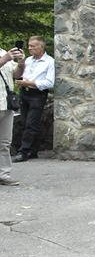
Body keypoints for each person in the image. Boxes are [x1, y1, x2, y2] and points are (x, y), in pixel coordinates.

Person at [12, 36, 55, 162]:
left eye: (33, 46)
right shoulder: (28, 60)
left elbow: (49, 83)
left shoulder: (49, 62)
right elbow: (19, 74)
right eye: (29, 46)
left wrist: (29, 83)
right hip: (24, 93)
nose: (30, 48)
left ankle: (24, 152)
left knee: (31, 123)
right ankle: (33, 150)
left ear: (41, 47)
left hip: (37, 94)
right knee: (26, 122)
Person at [0, 44, 25, 185]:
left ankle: (4, 174)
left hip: (6, 103)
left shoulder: (3, 52)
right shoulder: (5, 55)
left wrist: (21, 63)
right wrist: (5, 58)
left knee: (4, 142)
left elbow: (16, 74)